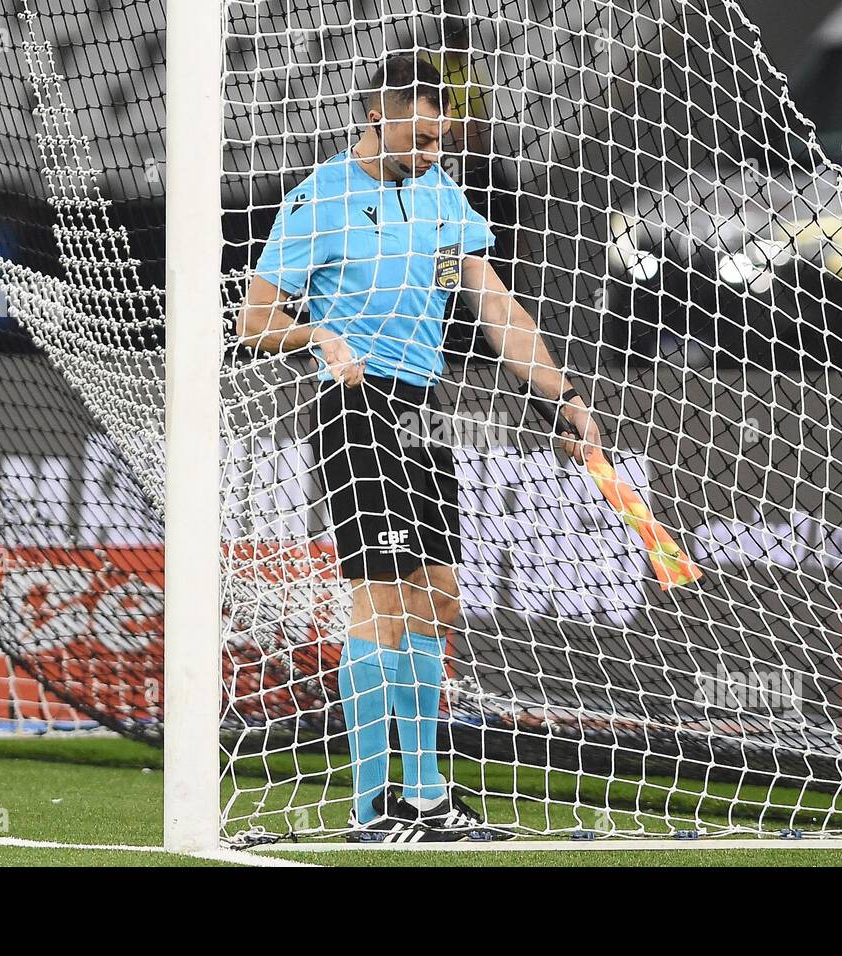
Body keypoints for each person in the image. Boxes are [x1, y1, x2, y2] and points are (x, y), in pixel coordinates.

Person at [236, 53, 602, 842]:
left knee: (438, 600)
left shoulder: (439, 196)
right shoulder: (317, 202)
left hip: (425, 408)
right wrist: (321, 334)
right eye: (423, 135)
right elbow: (254, 323)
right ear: (378, 113)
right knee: (384, 601)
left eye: (443, 138)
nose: (436, 151)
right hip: (356, 407)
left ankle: (429, 799)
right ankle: (372, 812)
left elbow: (495, 304)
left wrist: (563, 397)